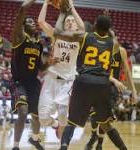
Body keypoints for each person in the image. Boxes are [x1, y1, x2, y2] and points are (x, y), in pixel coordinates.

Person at [57, 15, 128, 150]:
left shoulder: (84, 37)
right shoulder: (114, 44)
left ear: (95, 25)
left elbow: (61, 34)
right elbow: (111, 36)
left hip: (84, 81)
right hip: (102, 84)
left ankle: (64, 147)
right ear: (108, 29)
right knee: (106, 125)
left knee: (71, 123)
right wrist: (108, 28)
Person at [37, 0, 85, 139]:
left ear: (76, 25)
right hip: (51, 78)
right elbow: (40, 22)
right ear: (63, 24)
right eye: (67, 21)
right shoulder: (56, 34)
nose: (70, 22)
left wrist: (72, 8)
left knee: (64, 113)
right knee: (44, 119)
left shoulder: (79, 38)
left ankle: (62, 145)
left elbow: (83, 28)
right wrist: (46, 3)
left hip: (67, 80)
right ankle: (55, 123)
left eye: (72, 21)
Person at [10, 0, 51, 149]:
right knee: (23, 111)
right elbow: (22, 10)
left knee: (36, 114)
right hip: (19, 82)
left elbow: (40, 66)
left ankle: (34, 139)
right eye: (29, 22)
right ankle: (15, 146)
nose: (33, 23)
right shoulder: (19, 37)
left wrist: (51, 63)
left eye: (33, 22)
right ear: (23, 26)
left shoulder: (38, 44)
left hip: (33, 83)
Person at [85, 41, 137, 150]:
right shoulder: (100, 49)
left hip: (113, 88)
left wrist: (134, 91)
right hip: (99, 84)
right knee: (95, 115)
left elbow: (127, 72)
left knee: (105, 118)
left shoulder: (121, 51)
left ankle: (99, 143)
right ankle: (94, 136)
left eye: (114, 37)